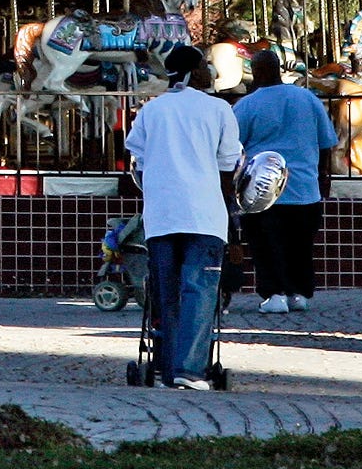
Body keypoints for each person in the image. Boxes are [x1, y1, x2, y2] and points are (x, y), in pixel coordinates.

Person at [125, 43, 243, 389]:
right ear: (194, 73)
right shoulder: (219, 109)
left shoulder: (151, 111)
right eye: (205, 66)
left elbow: (139, 164)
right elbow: (227, 165)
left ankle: (165, 366)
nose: (211, 72)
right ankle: (189, 370)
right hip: (205, 217)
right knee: (199, 290)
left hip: (161, 217)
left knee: (166, 291)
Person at [233, 48, 334, 313]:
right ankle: (298, 293)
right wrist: (324, 176)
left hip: (261, 192)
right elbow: (326, 143)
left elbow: (233, 148)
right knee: (300, 245)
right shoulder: (307, 99)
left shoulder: (247, 105)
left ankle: (274, 294)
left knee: (265, 245)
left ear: (257, 72)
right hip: (304, 189)